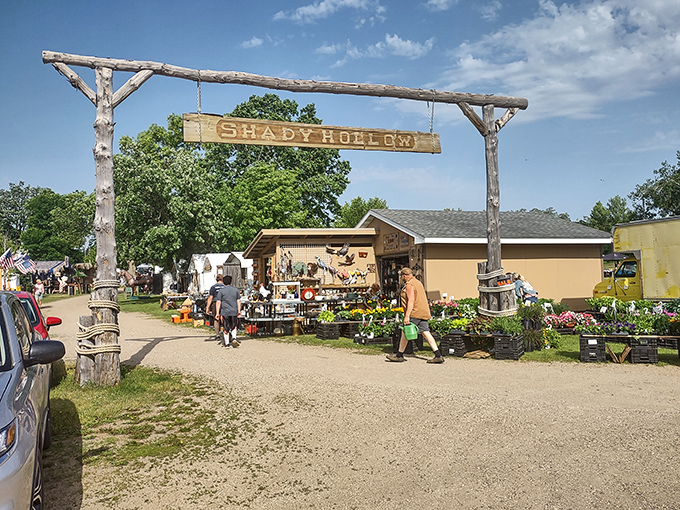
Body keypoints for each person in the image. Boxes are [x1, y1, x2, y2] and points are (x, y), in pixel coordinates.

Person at [386, 267, 444, 364]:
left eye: (402, 276)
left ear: (404, 275)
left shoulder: (410, 285)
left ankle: (399, 355)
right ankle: (438, 355)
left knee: (405, 332)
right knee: (426, 332)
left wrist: (407, 316)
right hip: (423, 312)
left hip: (414, 312)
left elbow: (411, 300)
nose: (402, 278)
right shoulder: (418, 283)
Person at [215, 274, 241, 348]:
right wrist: (239, 311)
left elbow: (218, 302)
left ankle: (226, 344)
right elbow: (238, 301)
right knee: (234, 325)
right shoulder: (235, 290)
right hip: (234, 311)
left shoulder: (221, 291)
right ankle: (234, 337)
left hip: (225, 312)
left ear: (223, 282)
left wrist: (217, 313)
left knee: (225, 327)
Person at [205, 274, 225, 341]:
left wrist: (207, 307)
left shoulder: (213, 287)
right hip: (224, 303)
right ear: (222, 279)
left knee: (216, 319)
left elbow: (210, 298)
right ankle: (226, 333)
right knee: (225, 318)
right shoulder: (225, 287)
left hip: (215, 303)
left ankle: (217, 334)